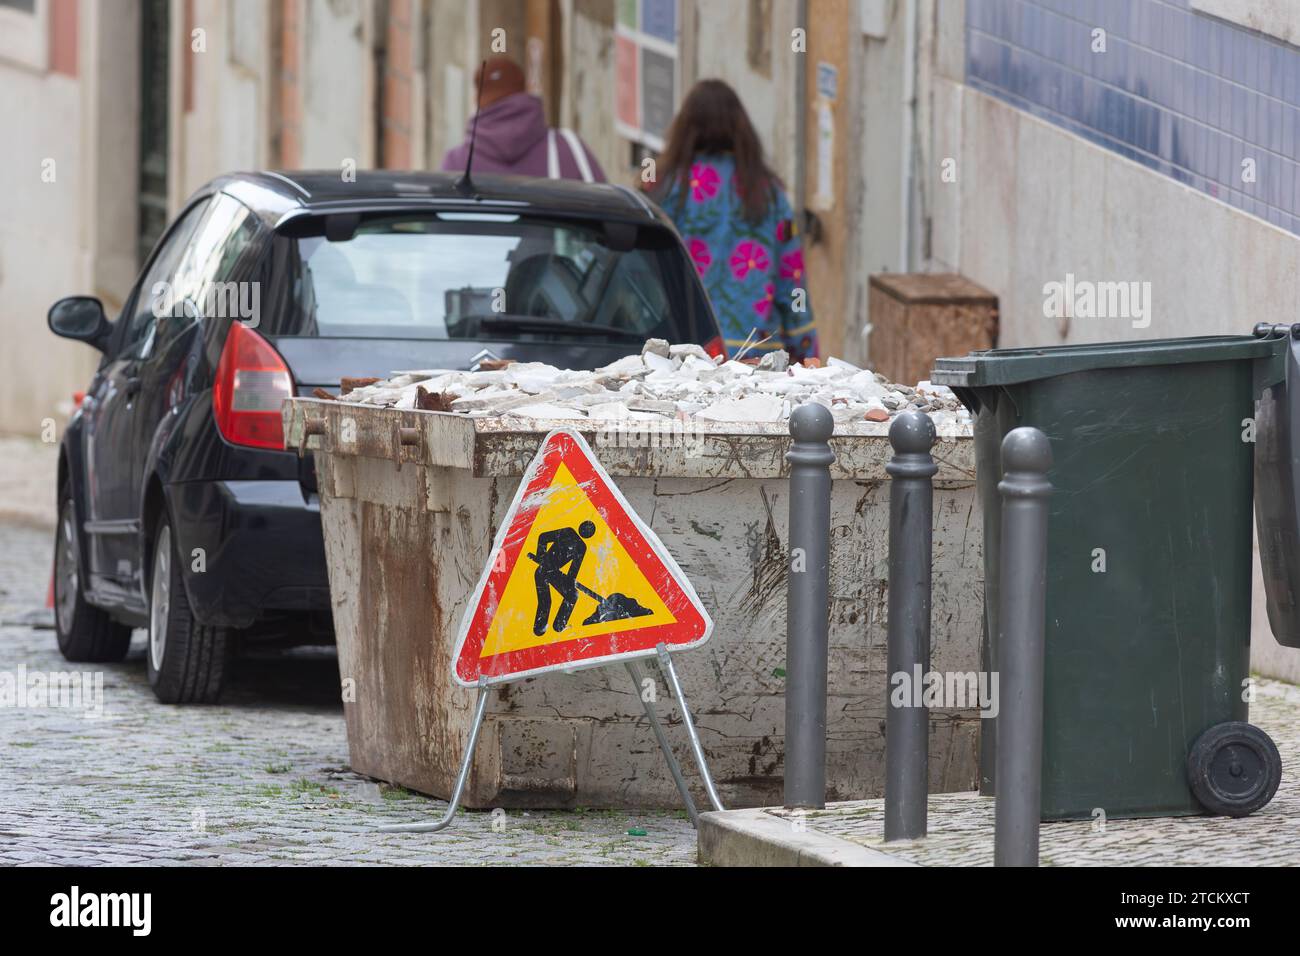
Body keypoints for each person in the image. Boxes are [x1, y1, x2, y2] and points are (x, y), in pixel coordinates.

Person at [652, 79, 818, 363]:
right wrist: (806, 350)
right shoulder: (768, 193)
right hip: (756, 354)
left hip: (683, 353)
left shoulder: (667, 188)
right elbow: (791, 280)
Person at [441, 56, 605, 182]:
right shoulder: (568, 150)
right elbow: (606, 210)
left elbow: (440, 224)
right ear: (525, 89)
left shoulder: (456, 164)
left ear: (476, 99)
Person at [532, 521, 596, 635]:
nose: (586, 530)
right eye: (586, 527)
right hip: (543, 570)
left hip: (554, 573)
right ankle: (539, 629)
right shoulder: (568, 532)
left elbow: (573, 572)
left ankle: (559, 625)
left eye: (589, 530)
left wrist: (569, 582)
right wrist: (541, 557)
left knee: (572, 595)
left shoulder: (582, 547)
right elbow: (543, 537)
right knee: (546, 601)